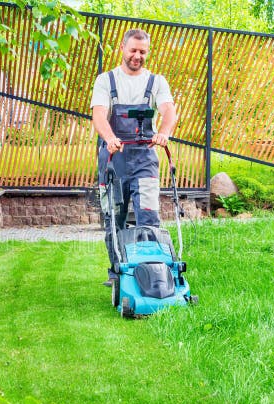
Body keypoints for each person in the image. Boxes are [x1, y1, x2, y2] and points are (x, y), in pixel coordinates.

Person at [90, 28, 178, 286]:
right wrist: (109, 138)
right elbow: (98, 115)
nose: (137, 56)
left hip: (144, 161)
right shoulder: (106, 80)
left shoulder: (156, 82)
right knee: (113, 218)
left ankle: (151, 273)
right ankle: (117, 271)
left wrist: (163, 133)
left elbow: (169, 112)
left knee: (148, 217)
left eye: (143, 52)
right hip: (113, 161)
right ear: (122, 48)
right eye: (133, 50)